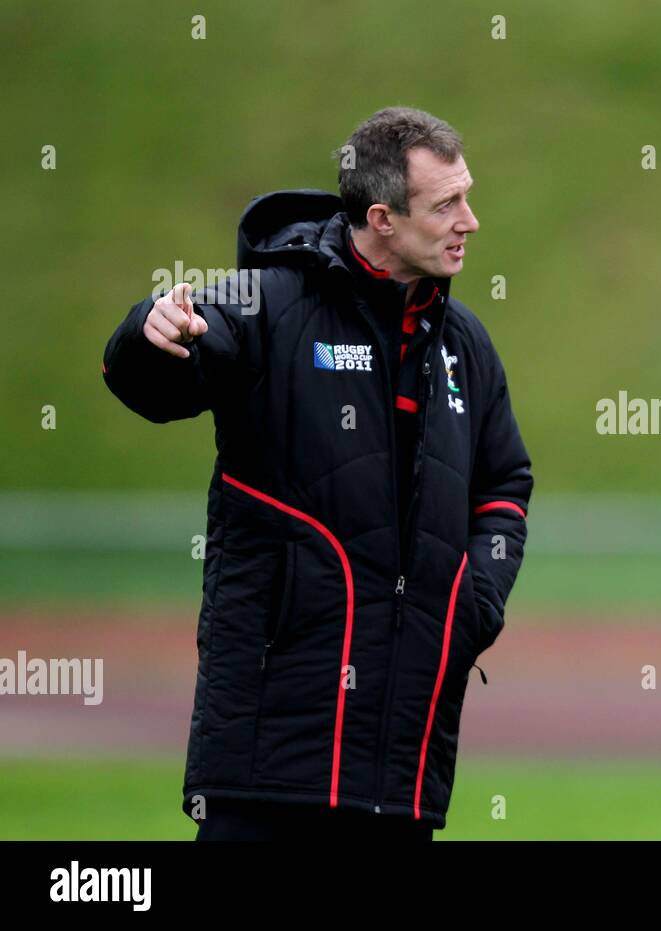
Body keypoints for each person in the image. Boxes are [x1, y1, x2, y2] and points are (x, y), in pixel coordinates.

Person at [102, 107, 532, 840]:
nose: (472, 220)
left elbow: (504, 487)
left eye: (467, 195)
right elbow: (154, 379)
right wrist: (153, 330)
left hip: (403, 772)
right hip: (264, 767)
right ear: (382, 219)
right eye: (447, 204)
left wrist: (473, 601)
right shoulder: (267, 299)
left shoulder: (465, 343)